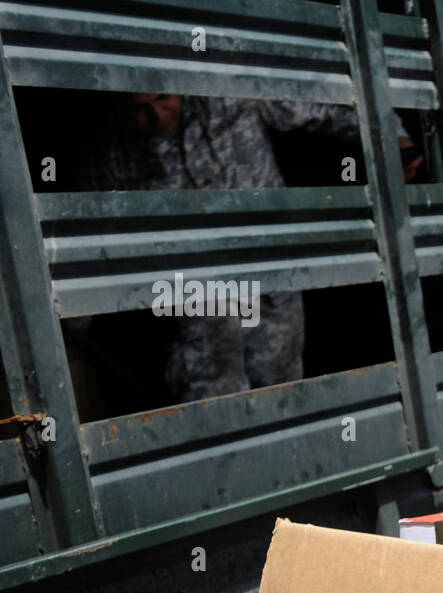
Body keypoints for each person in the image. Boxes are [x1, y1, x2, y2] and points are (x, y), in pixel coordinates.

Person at [72, 93, 422, 403]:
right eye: (141, 109)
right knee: (213, 411)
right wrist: (74, 320)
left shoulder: (229, 96)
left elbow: (319, 105)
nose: (157, 115)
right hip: (198, 307)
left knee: (282, 399)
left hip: (272, 285)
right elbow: (90, 240)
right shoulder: (113, 155)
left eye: (163, 98)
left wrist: (389, 136)